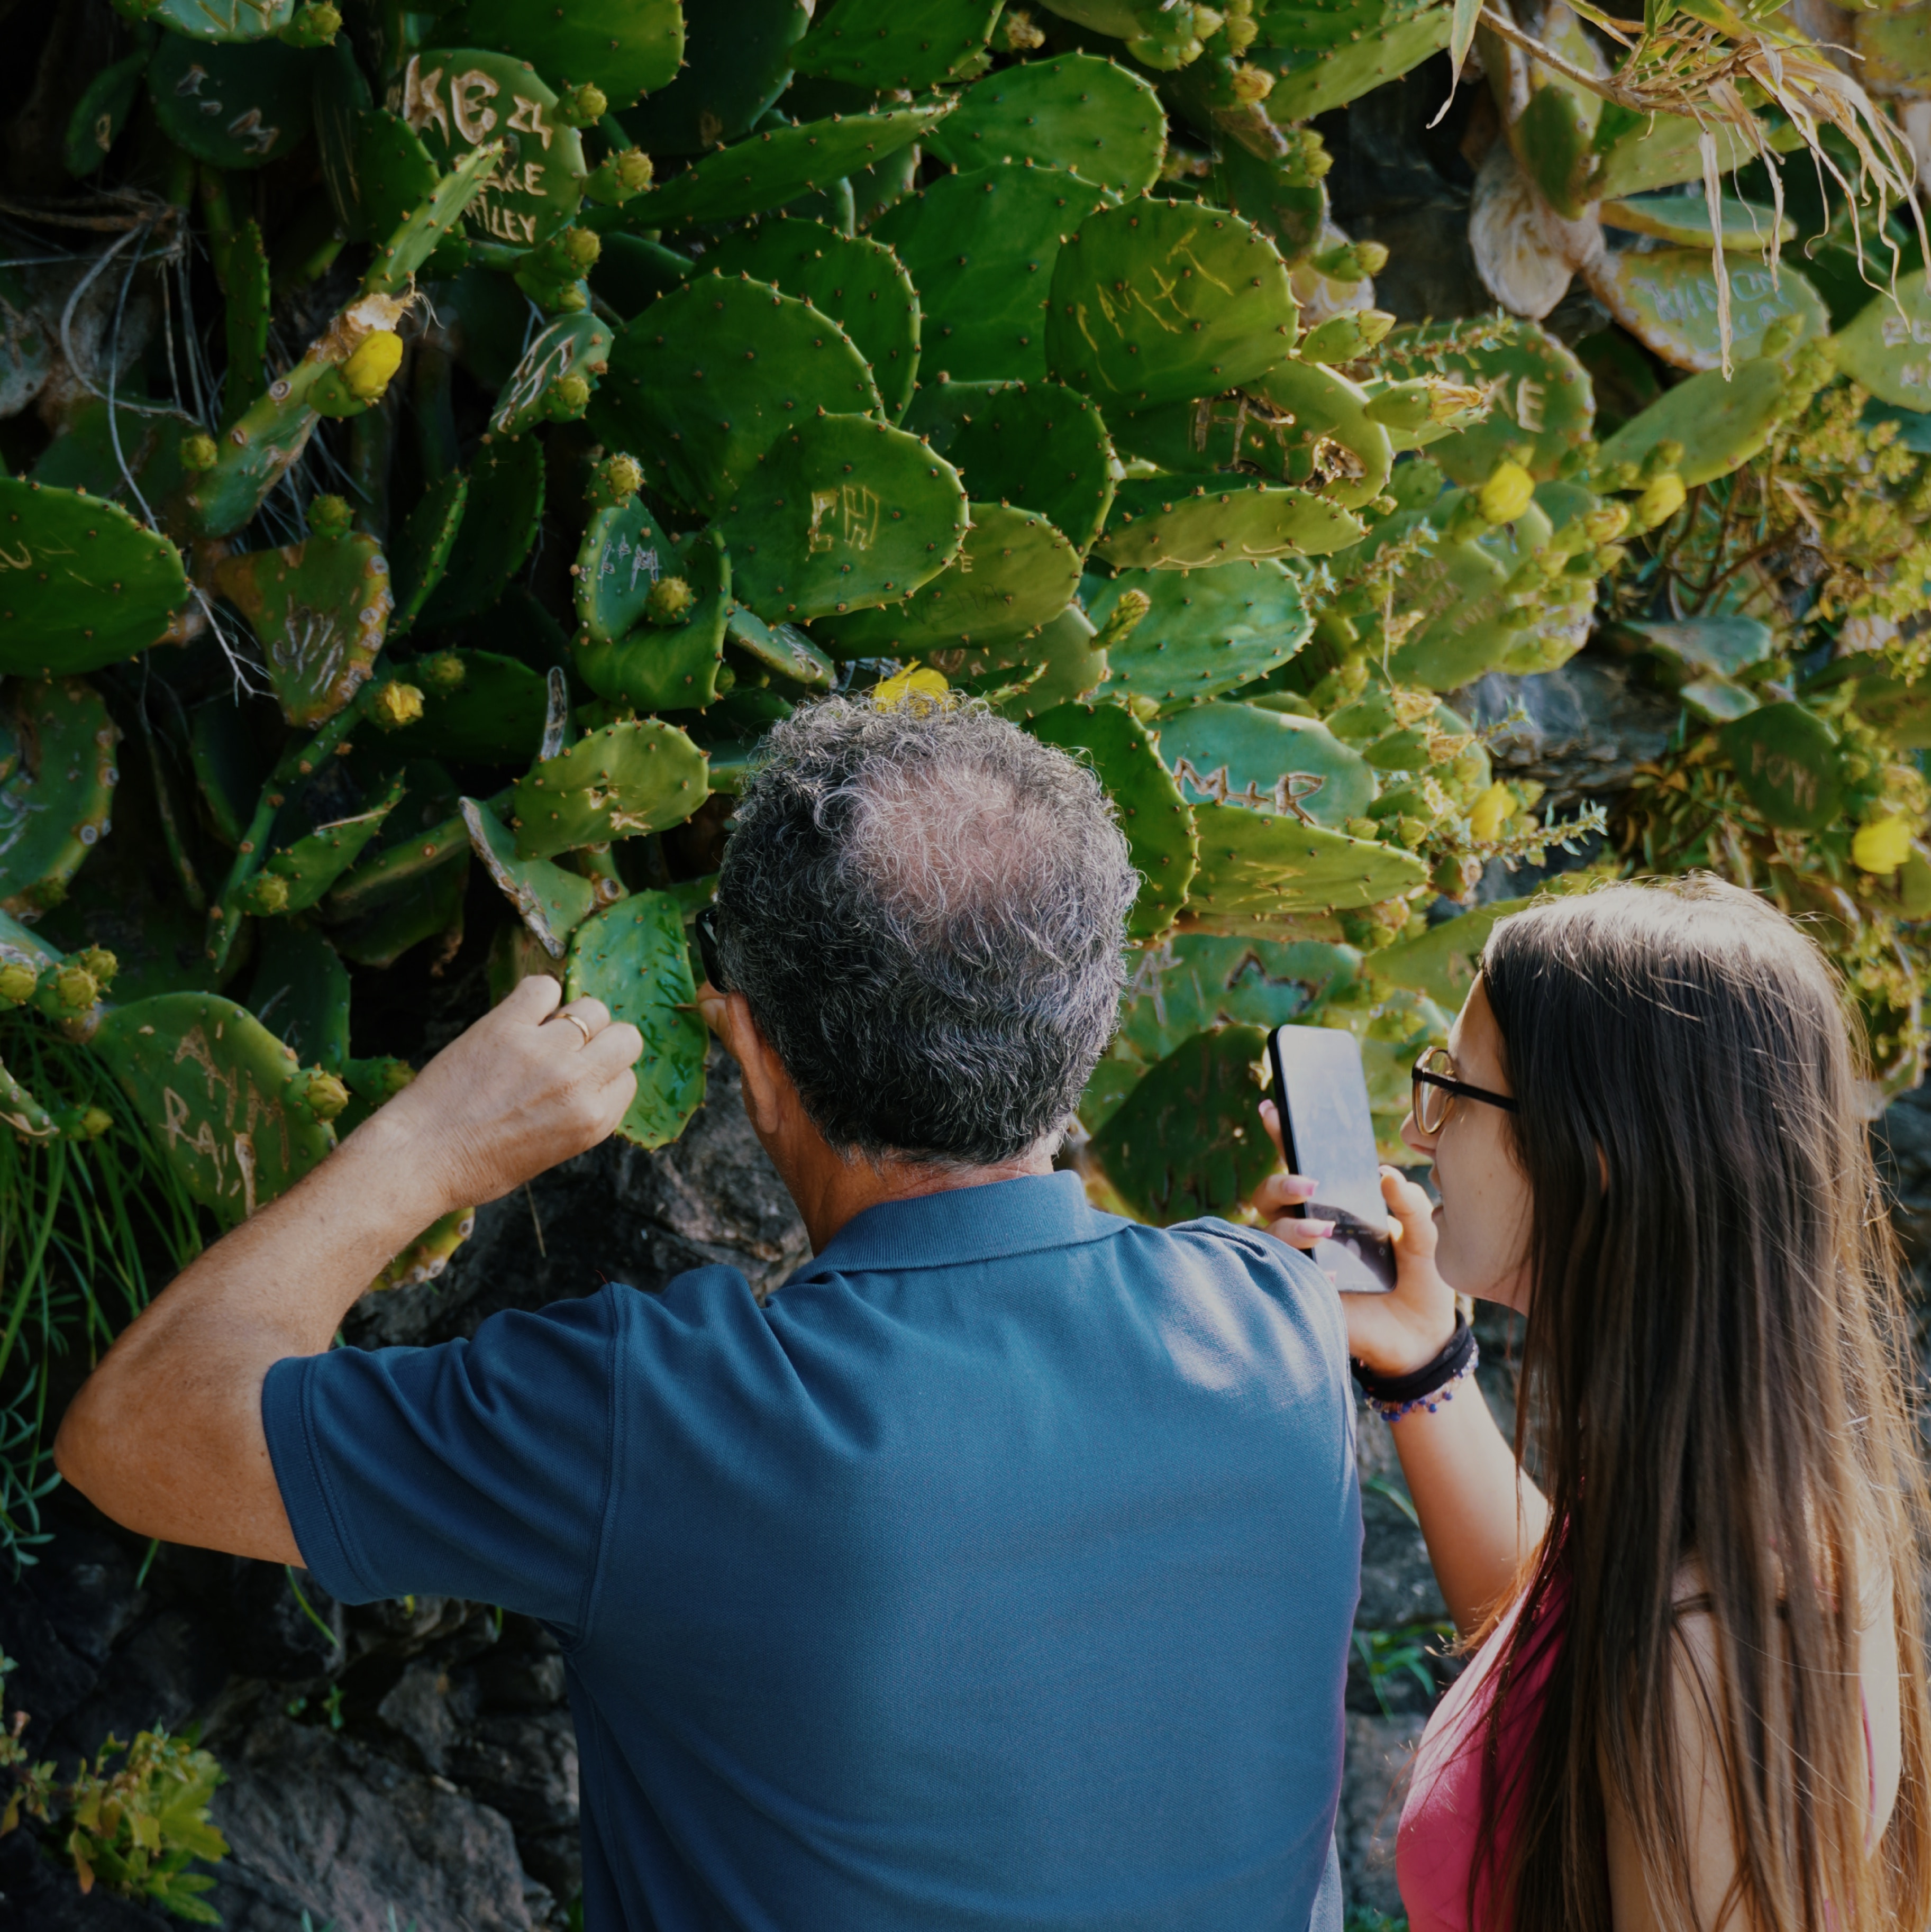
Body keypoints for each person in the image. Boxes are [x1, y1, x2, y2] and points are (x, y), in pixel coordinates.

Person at [56, 694, 1362, 1932]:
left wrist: (427, 1149)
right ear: (1089, 1021)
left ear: (746, 1051)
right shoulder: (1284, 1325)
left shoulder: (668, 1415)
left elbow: (137, 1429)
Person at [1255, 876, 1931, 1931]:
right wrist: (1423, 1362)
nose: (1415, 1130)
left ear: (1596, 1157)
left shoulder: (1704, 1664)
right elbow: (1555, 1661)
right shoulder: (1727, 1535)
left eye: (1454, 1088)